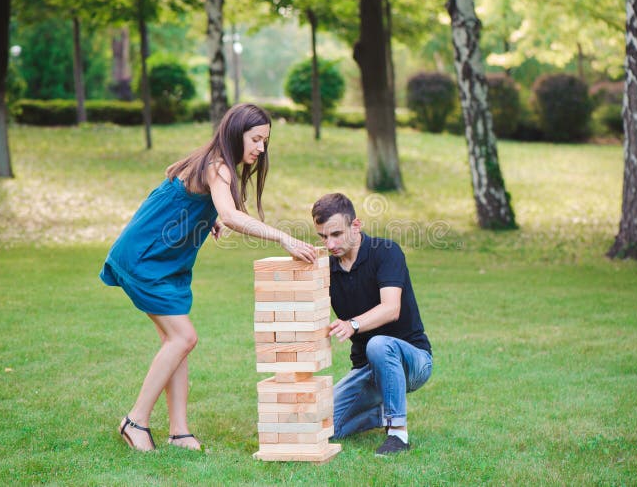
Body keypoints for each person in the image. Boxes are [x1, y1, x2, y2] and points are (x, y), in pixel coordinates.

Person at [101, 103, 316, 452]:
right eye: (256, 139)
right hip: (146, 259)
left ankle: (179, 431)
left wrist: (207, 216)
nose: (261, 148)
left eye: (265, 141)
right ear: (236, 133)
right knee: (183, 337)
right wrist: (282, 237)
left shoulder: (211, 162)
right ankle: (135, 421)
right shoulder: (218, 166)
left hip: (165, 262)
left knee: (176, 342)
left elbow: (187, 199)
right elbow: (230, 214)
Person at [311, 193, 433, 456]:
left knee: (378, 345)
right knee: (322, 427)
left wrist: (352, 324)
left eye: (336, 234)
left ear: (356, 225)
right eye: (323, 237)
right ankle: (380, 412)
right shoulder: (326, 269)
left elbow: (391, 308)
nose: (330, 244)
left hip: (413, 361)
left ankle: (397, 433)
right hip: (366, 370)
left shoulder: (386, 252)